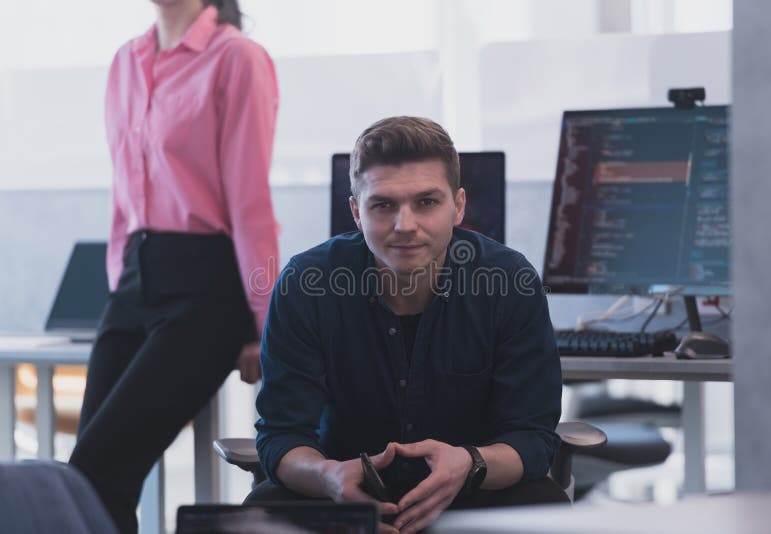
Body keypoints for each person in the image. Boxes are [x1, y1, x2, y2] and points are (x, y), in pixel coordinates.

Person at [253, 116, 564, 534]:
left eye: (426, 202)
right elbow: (282, 436)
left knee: (545, 504)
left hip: (474, 496)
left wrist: (471, 463)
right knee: (261, 511)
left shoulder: (510, 282)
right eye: (383, 205)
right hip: (343, 500)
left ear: (459, 206)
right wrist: (326, 477)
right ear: (356, 213)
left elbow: (532, 438)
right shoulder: (306, 284)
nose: (405, 225)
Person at [68, 1, 279, 532]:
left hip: (205, 289)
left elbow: (249, 204)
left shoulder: (236, 57)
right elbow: (123, 194)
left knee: (100, 469)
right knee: (80, 481)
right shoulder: (126, 61)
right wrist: (123, 285)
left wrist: (268, 325)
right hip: (135, 281)